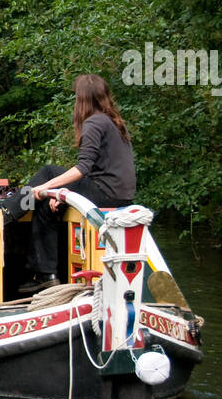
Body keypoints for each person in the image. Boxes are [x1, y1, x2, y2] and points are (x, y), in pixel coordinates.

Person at [18, 74, 136, 295]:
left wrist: (43, 189)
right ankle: (46, 275)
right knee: (48, 206)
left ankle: (10, 207)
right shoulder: (114, 122)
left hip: (105, 193)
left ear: (81, 100)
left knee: (49, 172)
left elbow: (83, 168)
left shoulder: (94, 122)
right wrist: (56, 194)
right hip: (120, 195)